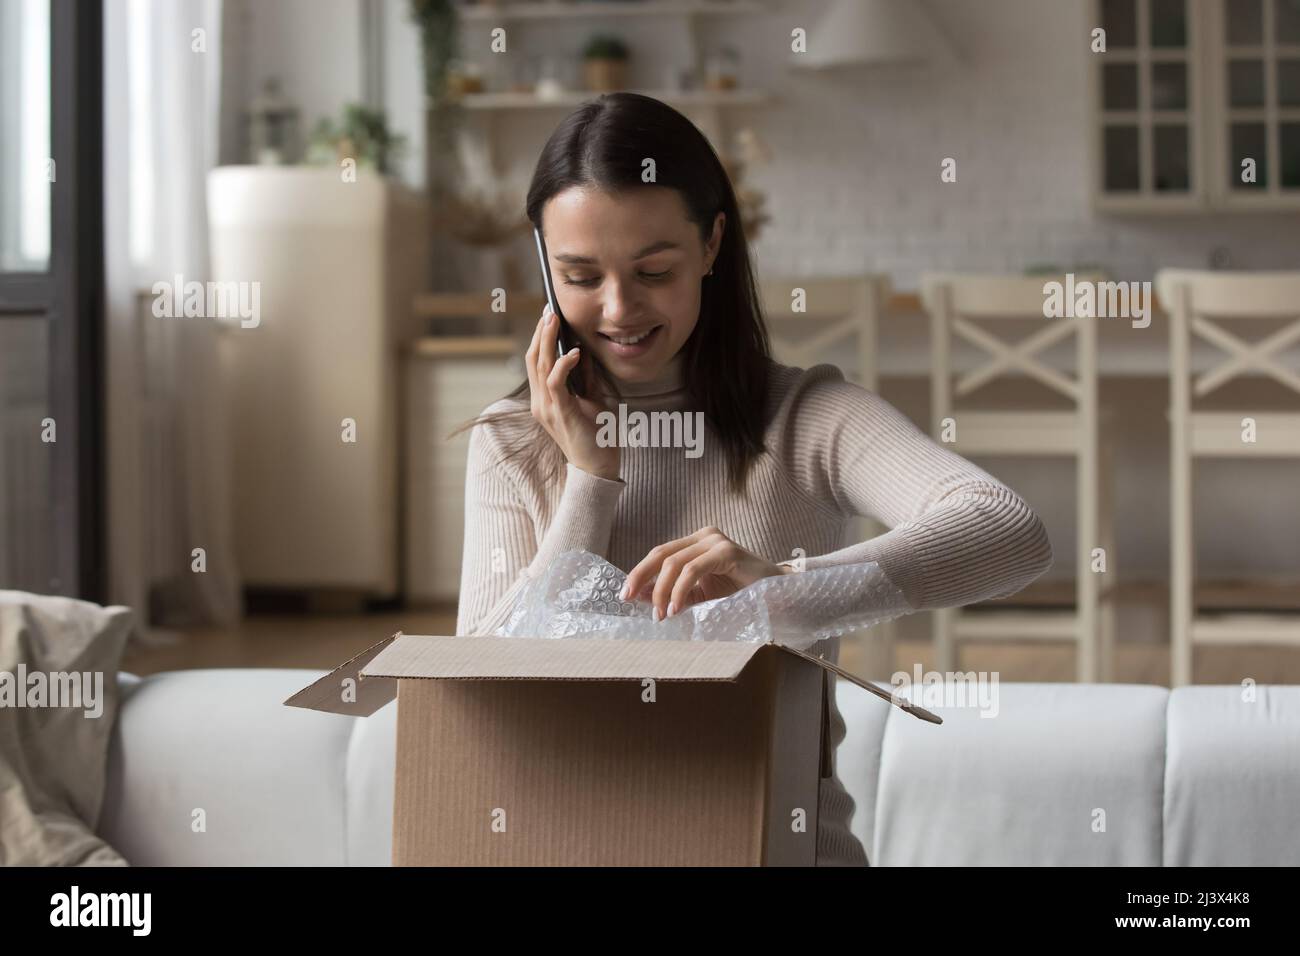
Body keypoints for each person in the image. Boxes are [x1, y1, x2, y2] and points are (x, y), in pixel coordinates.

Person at [452, 92, 1053, 865]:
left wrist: (781, 591)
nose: (617, 308)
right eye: (578, 274)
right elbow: (482, 686)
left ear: (712, 247)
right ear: (543, 263)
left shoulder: (806, 417)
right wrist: (590, 478)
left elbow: (1008, 528)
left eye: (654, 270)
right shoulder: (510, 439)